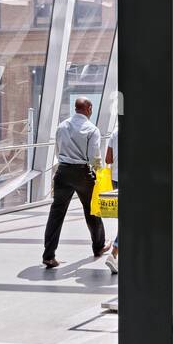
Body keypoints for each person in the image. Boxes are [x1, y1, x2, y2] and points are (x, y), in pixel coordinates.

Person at [42, 98, 109, 269]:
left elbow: (58, 149)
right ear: (89, 108)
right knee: (92, 210)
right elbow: (94, 156)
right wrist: (99, 172)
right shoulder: (92, 129)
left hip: (63, 171)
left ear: (76, 108)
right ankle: (98, 246)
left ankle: (49, 255)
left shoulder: (62, 125)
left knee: (56, 213)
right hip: (82, 173)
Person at [104, 127, 120, 275]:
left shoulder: (115, 132)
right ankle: (114, 252)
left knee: (124, 216)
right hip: (135, 176)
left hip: (116, 178)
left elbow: (108, 159)